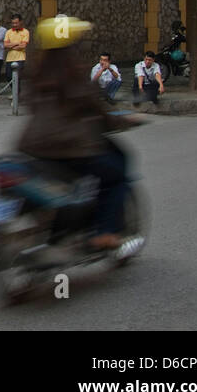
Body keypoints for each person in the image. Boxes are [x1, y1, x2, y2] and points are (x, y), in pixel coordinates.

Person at [17, 18, 142, 252]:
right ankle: (104, 232)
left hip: (33, 148)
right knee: (117, 170)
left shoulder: (35, 75)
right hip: (71, 149)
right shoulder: (72, 74)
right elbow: (97, 110)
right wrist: (122, 121)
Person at [4, 14, 30, 93]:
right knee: (8, 77)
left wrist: (11, 45)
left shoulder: (25, 32)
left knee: (17, 78)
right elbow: (5, 45)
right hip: (9, 58)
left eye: (16, 23)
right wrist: (18, 43)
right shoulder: (8, 32)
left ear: (21, 22)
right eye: (13, 23)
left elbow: (23, 46)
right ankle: (15, 93)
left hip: (20, 58)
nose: (14, 25)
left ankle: (16, 95)